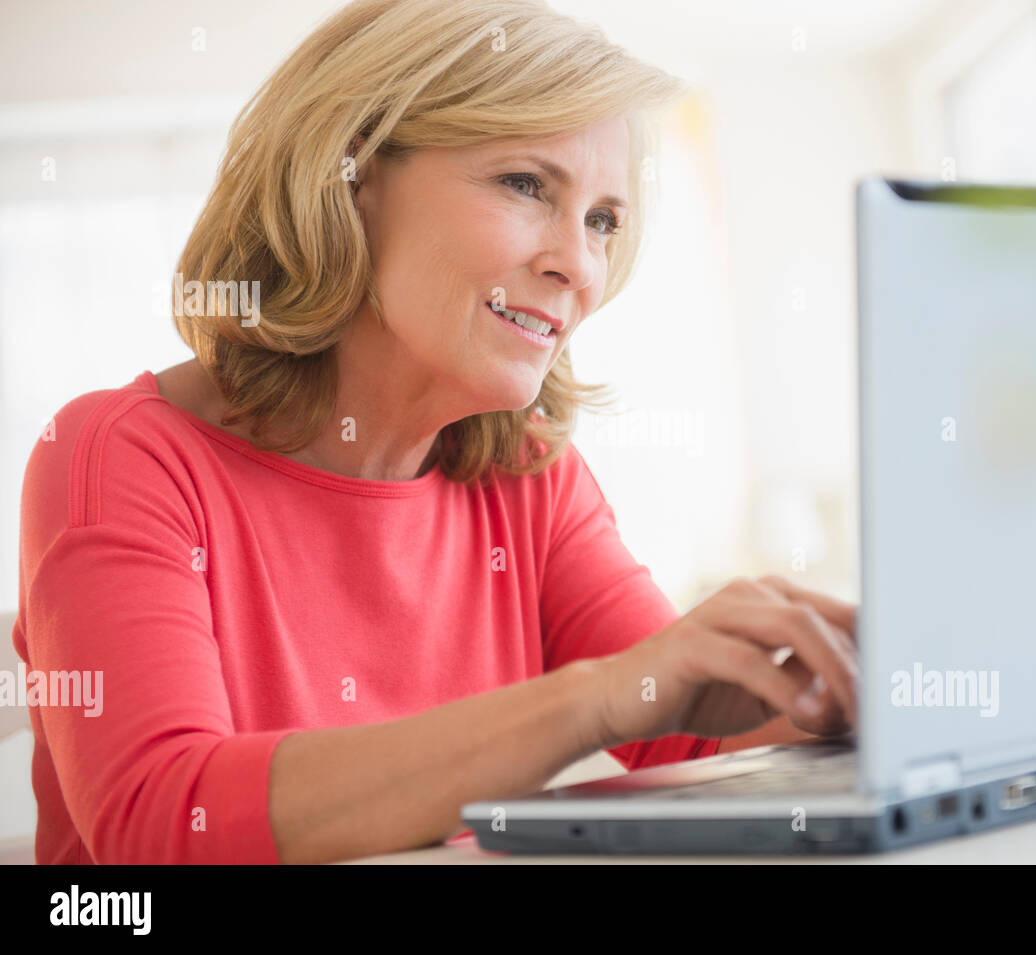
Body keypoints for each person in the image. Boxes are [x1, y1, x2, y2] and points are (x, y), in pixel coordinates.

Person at [13, 0, 857, 865]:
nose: (582, 264)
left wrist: (873, 687)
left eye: (604, 219)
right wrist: (592, 701)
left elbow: (698, 736)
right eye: (528, 185)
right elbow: (164, 819)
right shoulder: (121, 454)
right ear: (351, 176)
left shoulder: (529, 477)